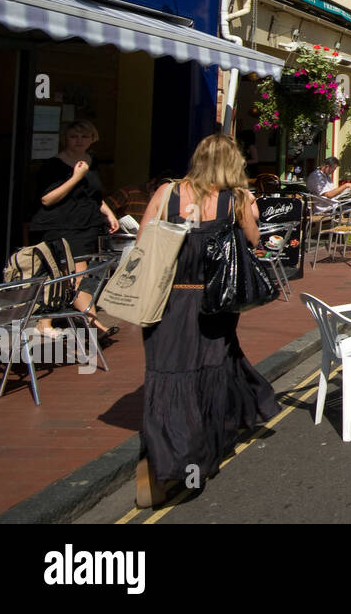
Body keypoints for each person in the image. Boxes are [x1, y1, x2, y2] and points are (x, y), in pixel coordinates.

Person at [132, 134, 279, 507]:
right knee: (208, 372)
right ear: (233, 163)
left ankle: (156, 463)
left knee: (167, 377)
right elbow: (253, 239)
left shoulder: (167, 193)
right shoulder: (239, 200)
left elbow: (142, 243)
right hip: (212, 303)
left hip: (166, 301)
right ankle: (199, 459)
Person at [27, 119, 121, 339]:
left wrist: (108, 212)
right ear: (65, 138)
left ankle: (45, 321)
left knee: (66, 275)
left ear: (92, 139)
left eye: (84, 136)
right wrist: (76, 177)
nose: (79, 141)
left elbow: (93, 195)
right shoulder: (54, 165)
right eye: (74, 136)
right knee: (75, 276)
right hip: (61, 226)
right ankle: (94, 324)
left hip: (86, 225)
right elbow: (47, 199)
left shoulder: (91, 161)